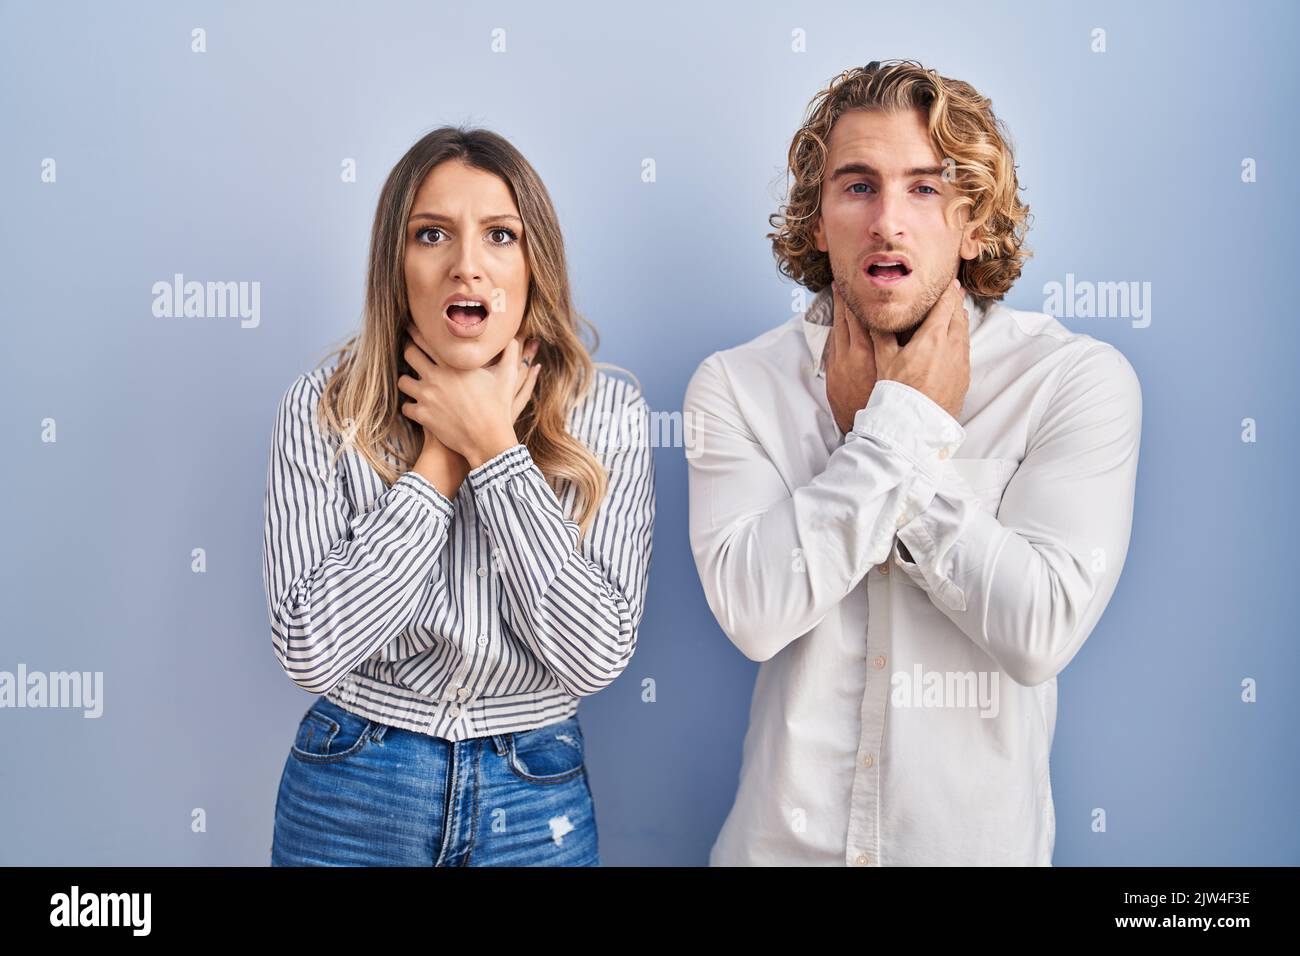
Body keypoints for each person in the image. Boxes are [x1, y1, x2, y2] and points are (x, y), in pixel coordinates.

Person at [684, 60, 1142, 865]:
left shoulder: (1072, 380)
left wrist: (894, 431)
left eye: (925, 189)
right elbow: (754, 613)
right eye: (857, 186)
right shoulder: (737, 385)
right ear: (817, 220)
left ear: (973, 223)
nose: (887, 221)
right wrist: (900, 431)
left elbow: (1038, 632)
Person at [263, 126, 655, 866]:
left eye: (500, 235)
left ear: (536, 261)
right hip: (353, 787)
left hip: (535, 790)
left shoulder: (611, 415)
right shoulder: (319, 408)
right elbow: (310, 650)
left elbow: (597, 656)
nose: (466, 266)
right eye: (432, 234)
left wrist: (495, 449)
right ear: (395, 262)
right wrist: (440, 464)